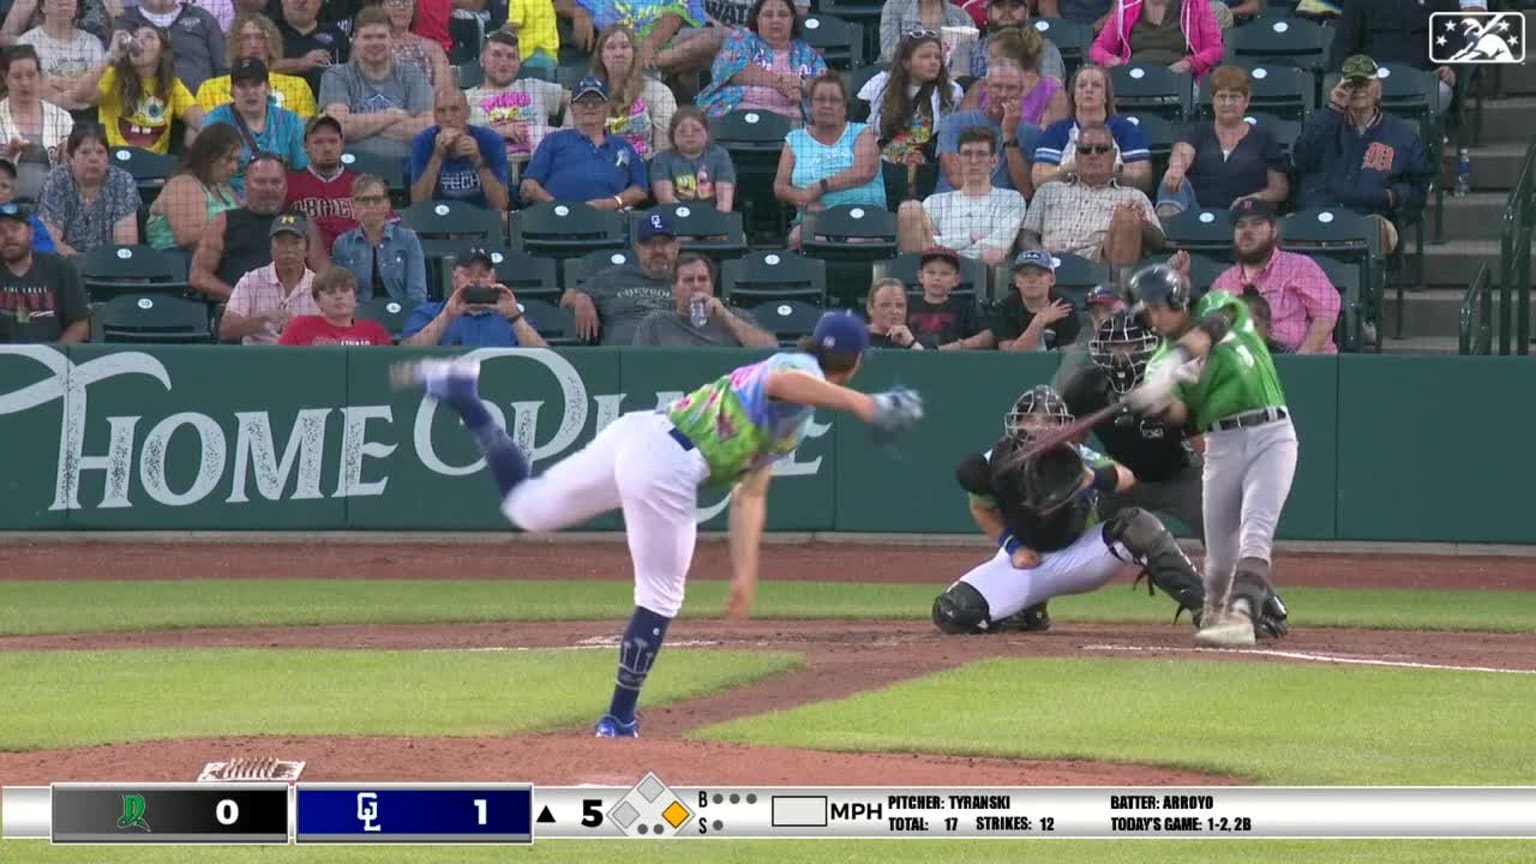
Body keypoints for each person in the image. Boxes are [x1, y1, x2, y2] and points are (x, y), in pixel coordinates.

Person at [391, 310, 924, 736]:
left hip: (640, 434)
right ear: (853, 363)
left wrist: (745, 573)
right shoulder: (800, 370)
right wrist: (866, 406)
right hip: (667, 463)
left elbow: (750, 495)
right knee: (662, 596)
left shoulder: (794, 422)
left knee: (528, 508)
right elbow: (786, 380)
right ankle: (619, 718)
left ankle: (465, 396)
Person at [930, 384, 1205, 636]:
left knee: (1138, 525)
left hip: (1079, 554)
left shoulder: (1073, 456)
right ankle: (1027, 611)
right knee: (954, 612)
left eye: (1048, 421)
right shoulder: (995, 461)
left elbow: (1126, 476)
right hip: (1029, 558)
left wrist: (1092, 478)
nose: (1038, 428)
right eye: (1030, 419)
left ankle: (1207, 607)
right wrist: (1013, 547)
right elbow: (981, 509)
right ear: (1015, 423)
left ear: (1062, 427)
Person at [1126, 262, 1295, 648]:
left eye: (1157, 306)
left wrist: (1177, 359)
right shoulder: (1158, 363)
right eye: (1145, 312)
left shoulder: (1217, 303)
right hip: (1221, 445)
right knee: (1219, 558)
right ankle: (1216, 612)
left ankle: (1242, 615)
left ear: (1177, 298)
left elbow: (1216, 326)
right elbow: (1184, 418)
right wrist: (1157, 401)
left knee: (1256, 527)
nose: (1153, 318)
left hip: (1272, 433)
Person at [1059, 311, 1204, 538]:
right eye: (1115, 346)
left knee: (1219, 528)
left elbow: (1201, 443)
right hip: (1122, 480)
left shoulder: (1169, 380)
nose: (1122, 354)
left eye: (1130, 345)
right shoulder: (1085, 386)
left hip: (1178, 476)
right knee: (1080, 535)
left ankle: (1233, 573)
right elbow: (1073, 441)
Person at [1291, 55, 1432, 255]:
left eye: (1365, 83)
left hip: (1369, 215)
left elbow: (1419, 188)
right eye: (1352, 84)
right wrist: (1334, 109)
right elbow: (1302, 159)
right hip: (1320, 211)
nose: (1358, 89)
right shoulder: (1323, 122)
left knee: (1377, 231)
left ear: (1378, 90)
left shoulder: (1403, 136)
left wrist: (1392, 196)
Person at [1176, 199, 1340, 354]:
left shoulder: (1300, 266)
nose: (1247, 231)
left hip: (1302, 360)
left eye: (1257, 224)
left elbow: (1326, 314)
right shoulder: (1224, 282)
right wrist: (1181, 282)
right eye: (1241, 226)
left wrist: (1300, 360)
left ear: (1273, 230)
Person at [1019, 121, 1163, 265]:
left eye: (1101, 149)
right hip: (1048, 265)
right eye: (1085, 150)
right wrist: (1042, 259)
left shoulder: (1133, 196)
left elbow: (1158, 242)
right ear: (1076, 156)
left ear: (1113, 156)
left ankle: (1114, 286)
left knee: (1126, 217)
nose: (1093, 155)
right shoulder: (1048, 191)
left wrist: (1141, 222)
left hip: (1101, 263)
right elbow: (1027, 236)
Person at [191, 152, 330, 301]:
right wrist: (240, 298)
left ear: (285, 185)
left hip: (294, 309)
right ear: (246, 185)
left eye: (275, 182)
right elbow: (199, 276)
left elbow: (324, 273)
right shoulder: (223, 221)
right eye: (260, 182)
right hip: (239, 311)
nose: (268, 188)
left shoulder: (303, 220)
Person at [1157, 64, 1288, 218]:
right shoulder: (1197, 131)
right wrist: (1177, 167)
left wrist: (1253, 199)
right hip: (1196, 213)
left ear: (1246, 100)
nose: (1227, 103)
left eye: (1234, 97)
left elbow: (1279, 189)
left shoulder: (1263, 138)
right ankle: (1172, 234)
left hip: (1244, 215)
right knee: (1171, 183)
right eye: (1221, 97)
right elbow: (1183, 150)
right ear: (1213, 100)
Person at [772, 73, 884, 248]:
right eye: (820, 99)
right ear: (811, 105)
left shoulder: (862, 132)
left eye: (834, 100)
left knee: (857, 240)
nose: (826, 105)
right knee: (798, 238)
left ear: (845, 107)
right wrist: (803, 198)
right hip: (815, 219)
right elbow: (780, 187)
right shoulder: (795, 139)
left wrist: (820, 187)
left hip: (862, 215)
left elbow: (865, 170)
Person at [318, 7, 434, 162]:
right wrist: (393, 116)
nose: (374, 43)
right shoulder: (336, 75)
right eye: (367, 37)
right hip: (353, 166)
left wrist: (362, 125)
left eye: (381, 36)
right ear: (354, 40)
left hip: (407, 167)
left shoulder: (412, 75)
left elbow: (428, 129)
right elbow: (338, 126)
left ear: (391, 39)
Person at [858, 30, 962, 202]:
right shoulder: (878, 85)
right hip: (881, 169)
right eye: (925, 57)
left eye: (937, 57)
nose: (933, 62)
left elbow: (950, 135)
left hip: (927, 172)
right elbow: (858, 128)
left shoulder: (952, 92)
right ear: (906, 62)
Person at [899, 125, 1026, 265]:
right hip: (936, 271)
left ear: (994, 161)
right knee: (909, 209)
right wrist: (968, 239)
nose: (973, 161)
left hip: (983, 273)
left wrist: (943, 247)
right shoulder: (934, 202)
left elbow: (998, 246)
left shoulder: (1011, 199)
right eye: (967, 154)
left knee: (993, 255)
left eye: (981, 154)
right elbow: (921, 247)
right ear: (958, 160)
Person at [520, 76, 648, 209]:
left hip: (609, 220)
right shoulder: (553, 140)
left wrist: (614, 202)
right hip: (558, 221)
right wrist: (557, 207)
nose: (590, 106)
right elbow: (528, 185)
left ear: (607, 108)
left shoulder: (624, 146)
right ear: (572, 107)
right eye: (583, 102)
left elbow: (640, 189)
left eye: (597, 102)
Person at [74, 25, 204, 154]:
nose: (139, 40)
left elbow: (202, 122)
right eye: (135, 36)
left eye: (149, 37)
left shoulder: (172, 85)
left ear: (162, 52)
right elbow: (80, 95)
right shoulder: (113, 76)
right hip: (115, 161)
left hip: (154, 167)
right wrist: (110, 57)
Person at [694, 0, 826, 123]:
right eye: (768, 15)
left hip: (791, 124)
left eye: (783, 15)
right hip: (737, 116)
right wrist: (780, 83)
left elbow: (826, 85)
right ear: (757, 19)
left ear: (792, 20)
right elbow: (732, 69)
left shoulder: (806, 52)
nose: (776, 20)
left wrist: (801, 85)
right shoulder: (742, 39)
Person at [464, 27, 565, 183]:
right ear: (482, 60)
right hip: (488, 174)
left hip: (540, 173)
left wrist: (566, 130)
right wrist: (497, 132)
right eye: (497, 55)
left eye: (511, 57)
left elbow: (577, 99)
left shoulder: (535, 87)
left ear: (519, 63)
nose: (504, 62)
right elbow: (455, 137)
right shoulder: (467, 98)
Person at [562, 210, 678, 345]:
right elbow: (566, 298)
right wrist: (581, 298)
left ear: (676, 247)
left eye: (664, 243)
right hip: (620, 361)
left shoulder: (690, 279)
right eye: (650, 244)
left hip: (674, 359)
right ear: (637, 249)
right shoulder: (614, 277)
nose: (658, 250)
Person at [1031, 64, 1152, 192]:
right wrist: (1070, 168)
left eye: (1096, 85)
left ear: (1106, 96)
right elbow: (1038, 180)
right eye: (1082, 85)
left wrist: (1112, 168)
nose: (1089, 89)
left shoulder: (1127, 130)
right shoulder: (1055, 132)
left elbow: (1142, 179)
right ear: (1073, 95)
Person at [401, 246, 550, 347]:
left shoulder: (512, 318)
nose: (475, 280)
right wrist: (446, 316)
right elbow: (405, 353)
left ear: (494, 278)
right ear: (454, 278)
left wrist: (515, 317)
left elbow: (547, 359)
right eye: (467, 274)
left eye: (483, 275)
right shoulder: (429, 312)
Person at [204, 58, 309, 196]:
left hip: (279, 201)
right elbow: (209, 177)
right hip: (233, 204)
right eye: (242, 86)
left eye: (256, 84)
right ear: (232, 91)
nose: (250, 92)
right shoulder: (216, 121)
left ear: (267, 88)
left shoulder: (291, 121)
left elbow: (300, 172)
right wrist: (237, 204)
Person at [933, 60, 1037, 196]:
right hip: (953, 204)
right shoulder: (954, 122)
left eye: (1011, 88)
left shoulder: (1031, 132)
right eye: (997, 87)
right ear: (986, 88)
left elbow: (1027, 191)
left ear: (1021, 92)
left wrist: (1010, 137)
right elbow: (956, 178)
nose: (1003, 94)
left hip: (1003, 210)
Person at [219, 211, 323, 344]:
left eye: (295, 243)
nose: (288, 249)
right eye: (281, 242)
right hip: (260, 358)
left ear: (307, 249)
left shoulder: (320, 285)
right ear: (271, 249)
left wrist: (299, 326)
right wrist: (261, 318)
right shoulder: (251, 281)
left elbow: (336, 329)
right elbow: (225, 329)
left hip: (304, 357)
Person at [631, 253, 777, 347]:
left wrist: (725, 316)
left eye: (702, 279)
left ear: (712, 285)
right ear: (673, 289)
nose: (696, 286)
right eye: (688, 280)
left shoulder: (736, 317)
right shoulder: (654, 324)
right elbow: (636, 366)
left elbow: (771, 350)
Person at [37, 124, 140, 255]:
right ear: (70, 157)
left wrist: (98, 267)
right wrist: (82, 263)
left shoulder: (122, 181)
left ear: (108, 157)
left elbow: (126, 245)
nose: (94, 158)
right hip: (66, 264)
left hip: (112, 266)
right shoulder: (57, 179)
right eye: (85, 152)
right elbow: (50, 240)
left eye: (100, 152)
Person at [196, 11, 319, 119]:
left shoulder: (297, 87)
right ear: (235, 43)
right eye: (246, 38)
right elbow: (208, 135)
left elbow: (306, 134)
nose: (254, 44)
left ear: (272, 43)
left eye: (261, 38)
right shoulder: (210, 89)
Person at [144, 124, 242, 253]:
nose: (234, 168)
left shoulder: (223, 188)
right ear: (210, 156)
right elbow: (190, 239)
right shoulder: (184, 184)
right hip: (180, 262)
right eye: (229, 160)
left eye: (237, 161)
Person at [584, 25, 677, 159]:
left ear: (634, 53)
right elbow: (570, 141)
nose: (618, 53)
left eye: (624, 46)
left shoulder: (659, 92)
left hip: (644, 168)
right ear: (600, 55)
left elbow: (664, 150)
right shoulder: (585, 94)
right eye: (611, 47)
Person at [409, 88, 509, 211]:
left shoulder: (490, 140)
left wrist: (478, 159)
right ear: (434, 116)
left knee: (504, 218)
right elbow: (418, 203)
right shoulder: (422, 141)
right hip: (438, 217)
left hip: (480, 218)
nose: (448, 118)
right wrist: (437, 155)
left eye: (454, 109)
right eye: (441, 111)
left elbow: (501, 204)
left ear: (467, 112)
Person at [332, 173, 427, 304]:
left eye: (377, 200)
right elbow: (342, 295)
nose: (371, 205)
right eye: (364, 200)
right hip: (360, 317)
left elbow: (417, 293)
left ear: (387, 205)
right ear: (354, 206)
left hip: (403, 314)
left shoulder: (408, 239)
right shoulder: (342, 244)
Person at [0, 202, 87, 342]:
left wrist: (53, 357)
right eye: (1, 231)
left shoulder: (61, 269)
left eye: (15, 228)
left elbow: (79, 323)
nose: (9, 236)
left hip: (51, 358)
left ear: (31, 233)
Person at [0, 45, 74, 201]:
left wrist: (67, 155)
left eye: (31, 75)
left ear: (39, 75)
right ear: (5, 77)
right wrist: (7, 156)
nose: (25, 82)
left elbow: (72, 173)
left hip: (52, 208)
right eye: (17, 76)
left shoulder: (62, 118)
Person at [959, 27, 1066, 128]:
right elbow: (961, 127)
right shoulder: (980, 87)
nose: (987, 61)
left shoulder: (1053, 93)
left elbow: (1049, 138)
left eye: (992, 57)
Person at [111, 0, 225, 95]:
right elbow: (114, 75)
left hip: (203, 110)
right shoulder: (125, 24)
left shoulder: (203, 18)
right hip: (145, 114)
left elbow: (222, 71)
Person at [1089, 0, 1224, 81]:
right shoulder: (1126, 7)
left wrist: (1190, 64)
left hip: (1179, 78)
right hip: (1134, 76)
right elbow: (1097, 49)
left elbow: (1215, 49)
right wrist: (1112, 60)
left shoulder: (1196, 5)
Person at [18, 0, 105, 112]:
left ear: (77, 7)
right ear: (42, 6)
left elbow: (99, 91)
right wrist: (83, 88)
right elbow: (32, 91)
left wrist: (53, 81)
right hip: (44, 118)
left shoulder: (93, 43)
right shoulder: (26, 42)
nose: (64, 2)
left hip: (89, 119)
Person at [987, 248, 1080, 351]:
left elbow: (1068, 356)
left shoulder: (1064, 307)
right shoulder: (1005, 308)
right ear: (1016, 281)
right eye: (1025, 274)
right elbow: (1010, 356)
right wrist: (1038, 322)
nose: (1032, 280)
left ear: (1052, 280)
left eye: (1039, 274)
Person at [278, 265, 394, 345]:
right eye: (331, 292)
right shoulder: (300, 327)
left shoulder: (374, 331)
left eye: (344, 290)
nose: (339, 296)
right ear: (318, 301)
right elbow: (279, 362)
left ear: (355, 297)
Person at [649, 106, 736, 209]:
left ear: (707, 133)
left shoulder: (720, 156)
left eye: (696, 130)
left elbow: (724, 200)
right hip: (677, 217)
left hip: (713, 216)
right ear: (673, 135)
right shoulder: (662, 159)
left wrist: (720, 221)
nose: (689, 135)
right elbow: (666, 200)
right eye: (682, 131)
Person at [905, 244, 986, 349]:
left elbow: (983, 338)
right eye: (931, 272)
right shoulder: (907, 306)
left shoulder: (965, 310)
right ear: (920, 276)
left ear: (956, 280)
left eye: (945, 273)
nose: (937, 278)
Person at [971, 0, 1065, 82]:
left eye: (1014, 5)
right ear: (988, 12)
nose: (1007, 12)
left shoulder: (1044, 48)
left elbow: (1052, 90)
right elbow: (959, 88)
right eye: (999, 5)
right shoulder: (969, 48)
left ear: (1026, 12)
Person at [273, 0, 350, 98]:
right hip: (282, 102)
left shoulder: (336, 34)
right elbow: (259, 66)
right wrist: (300, 63)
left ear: (320, 3)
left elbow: (350, 71)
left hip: (329, 104)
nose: (301, 2)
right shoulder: (268, 32)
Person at [377, 0, 453, 95]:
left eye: (407, 2)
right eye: (394, 2)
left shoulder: (433, 48)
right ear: (381, 6)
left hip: (425, 106)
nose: (401, 8)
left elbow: (443, 89)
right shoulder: (370, 47)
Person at [879, 0, 973, 64]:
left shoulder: (962, 17)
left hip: (945, 82)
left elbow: (968, 63)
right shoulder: (895, 6)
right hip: (898, 77)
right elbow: (890, 54)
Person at [864, 276, 935, 349]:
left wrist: (911, 344)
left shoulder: (923, 342)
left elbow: (929, 360)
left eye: (900, 305)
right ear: (870, 308)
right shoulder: (856, 339)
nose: (894, 311)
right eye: (885, 305)